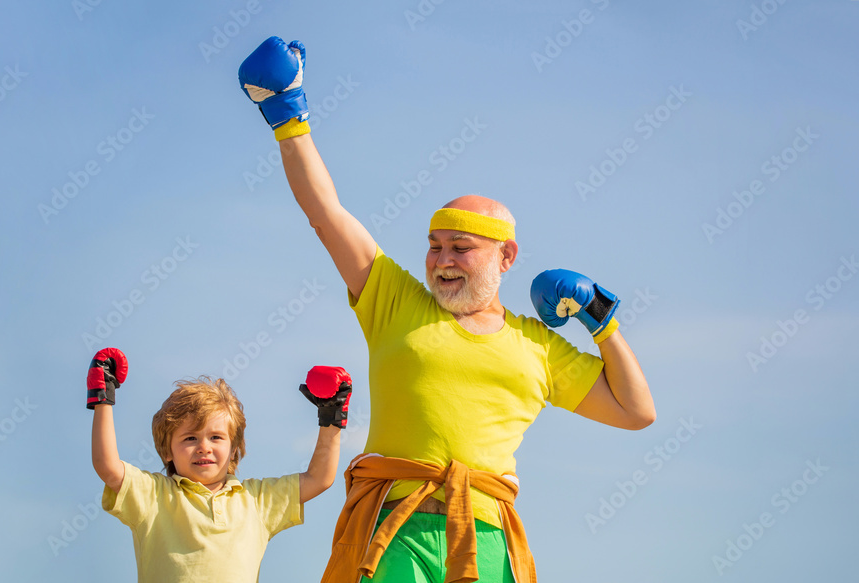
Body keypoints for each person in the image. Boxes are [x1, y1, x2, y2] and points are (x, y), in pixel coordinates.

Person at [238, 37, 657, 583]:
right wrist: (287, 116)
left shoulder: (539, 346)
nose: (442, 259)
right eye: (435, 245)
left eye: (461, 247)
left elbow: (636, 411)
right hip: (392, 531)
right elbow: (325, 213)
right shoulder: (395, 300)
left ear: (505, 256)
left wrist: (601, 320)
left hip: (484, 539)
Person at [87, 347, 354, 582]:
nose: (204, 446)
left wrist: (331, 419)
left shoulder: (257, 500)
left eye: (216, 437)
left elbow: (319, 479)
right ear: (167, 451)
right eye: (190, 438)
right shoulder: (154, 496)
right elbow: (108, 466)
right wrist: (102, 400)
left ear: (234, 449)